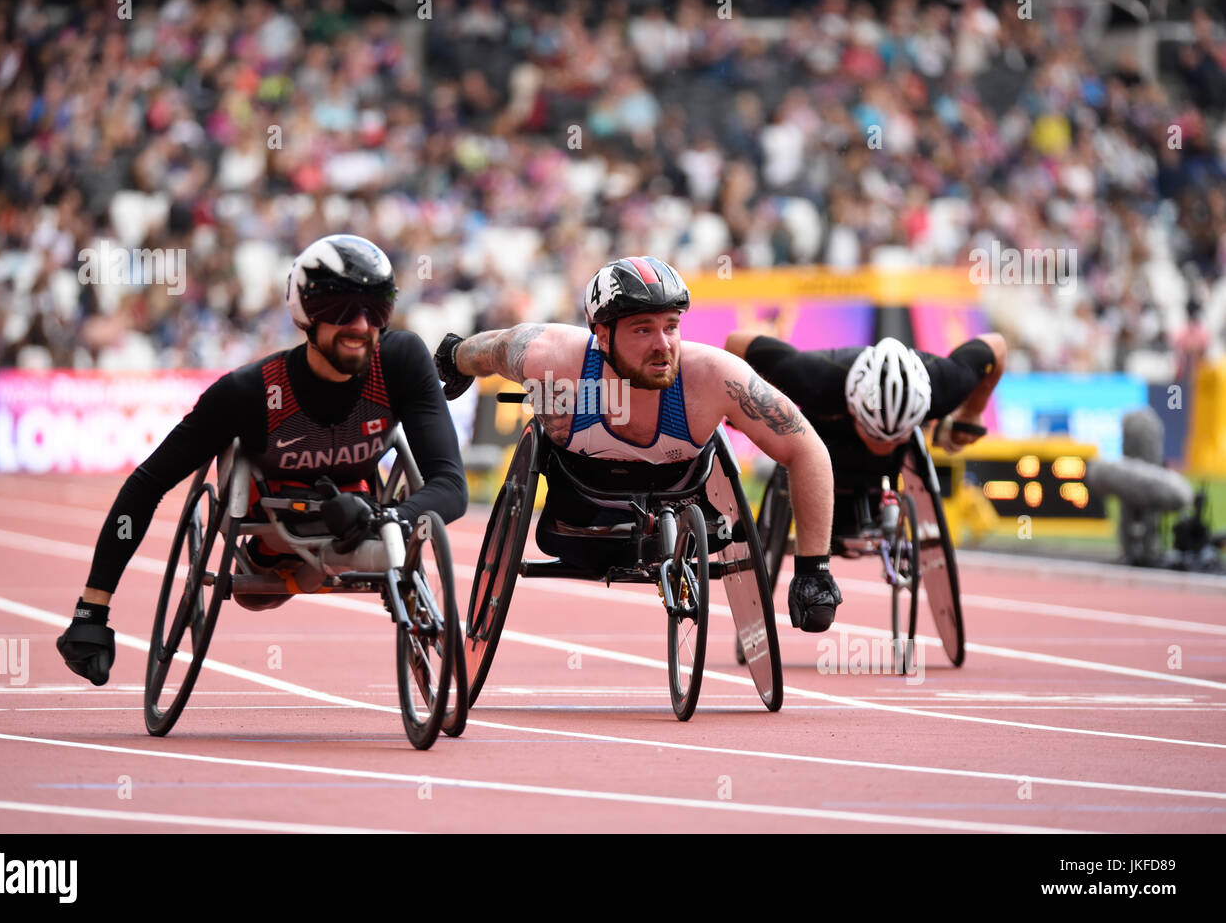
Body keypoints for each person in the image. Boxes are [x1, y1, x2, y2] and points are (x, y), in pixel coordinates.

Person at [56, 234, 468, 685]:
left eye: (376, 308)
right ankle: (296, 562)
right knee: (259, 598)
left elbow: (450, 484)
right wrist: (92, 608)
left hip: (359, 511)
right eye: (340, 309)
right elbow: (148, 483)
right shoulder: (247, 393)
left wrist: (391, 518)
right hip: (272, 530)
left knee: (363, 530)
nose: (360, 325)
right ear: (305, 314)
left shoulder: (402, 360)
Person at [435, 256, 842, 633]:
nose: (663, 344)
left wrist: (814, 567)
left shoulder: (714, 377)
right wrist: (455, 357)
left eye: (671, 326)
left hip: (686, 509)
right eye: (643, 329)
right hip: (578, 519)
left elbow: (806, 449)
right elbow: (493, 348)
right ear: (602, 335)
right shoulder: (552, 359)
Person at [722, 329, 1007, 541]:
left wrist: (971, 412)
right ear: (855, 411)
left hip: (884, 458)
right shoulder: (814, 378)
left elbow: (997, 347)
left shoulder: (944, 386)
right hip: (826, 431)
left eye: (895, 436)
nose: (883, 445)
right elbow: (737, 343)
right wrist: (739, 409)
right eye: (875, 434)